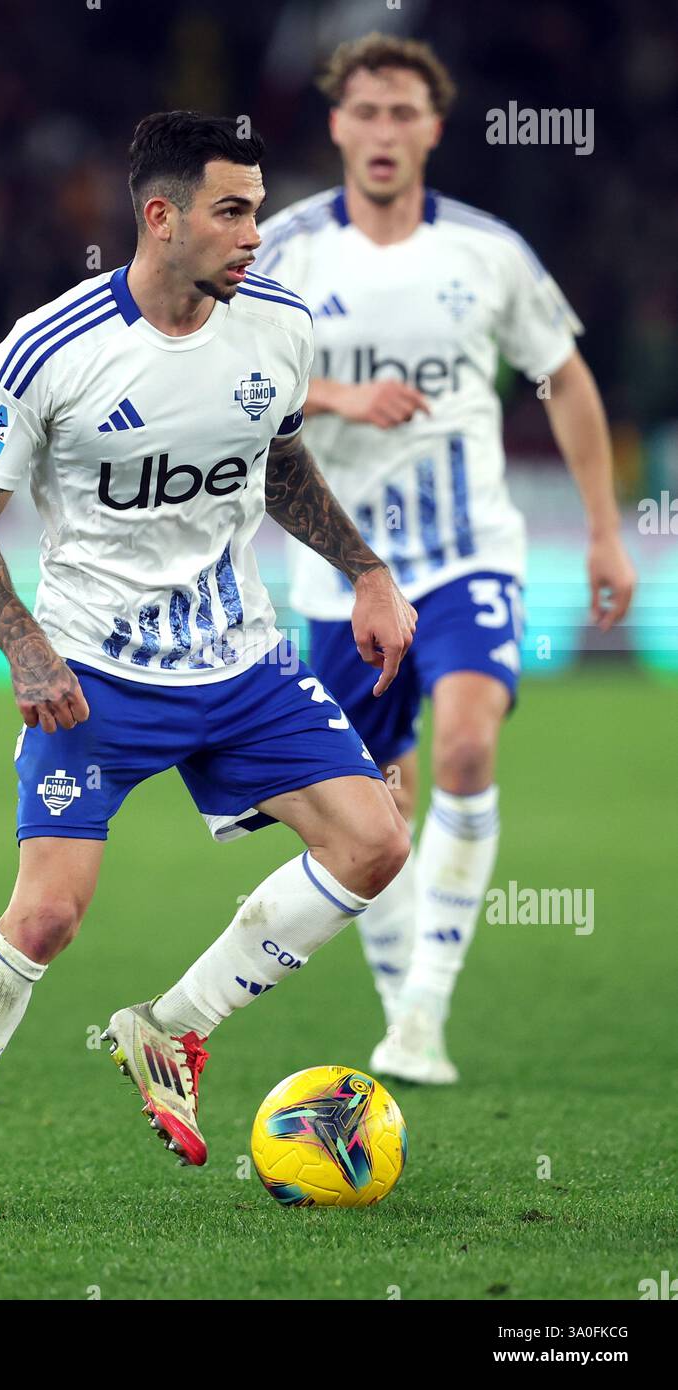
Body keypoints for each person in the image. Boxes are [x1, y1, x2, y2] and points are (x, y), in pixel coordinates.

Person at [0, 110, 416, 1215]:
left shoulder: (274, 325)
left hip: (240, 659)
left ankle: (173, 1029)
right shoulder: (51, 346)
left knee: (374, 843)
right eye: (230, 210)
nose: (254, 233)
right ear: (160, 218)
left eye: (257, 209)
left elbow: (276, 461)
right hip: (94, 676)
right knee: (48, 915)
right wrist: (25, 652)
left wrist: (363, 569)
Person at [252, 35, 635, 1084]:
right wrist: (333, 396)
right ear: (335, 125)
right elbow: (228, 378)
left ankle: (421, 1015)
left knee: (464, 749)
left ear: (432, 126)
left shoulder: (485, 251)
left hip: (469, 551)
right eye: (364, 111)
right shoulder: (282, 251)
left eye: (401, 112)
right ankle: (397, 1009)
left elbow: (565, 379)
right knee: (374, 808)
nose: (382, 131)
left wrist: (603, 527)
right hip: (338, 570)